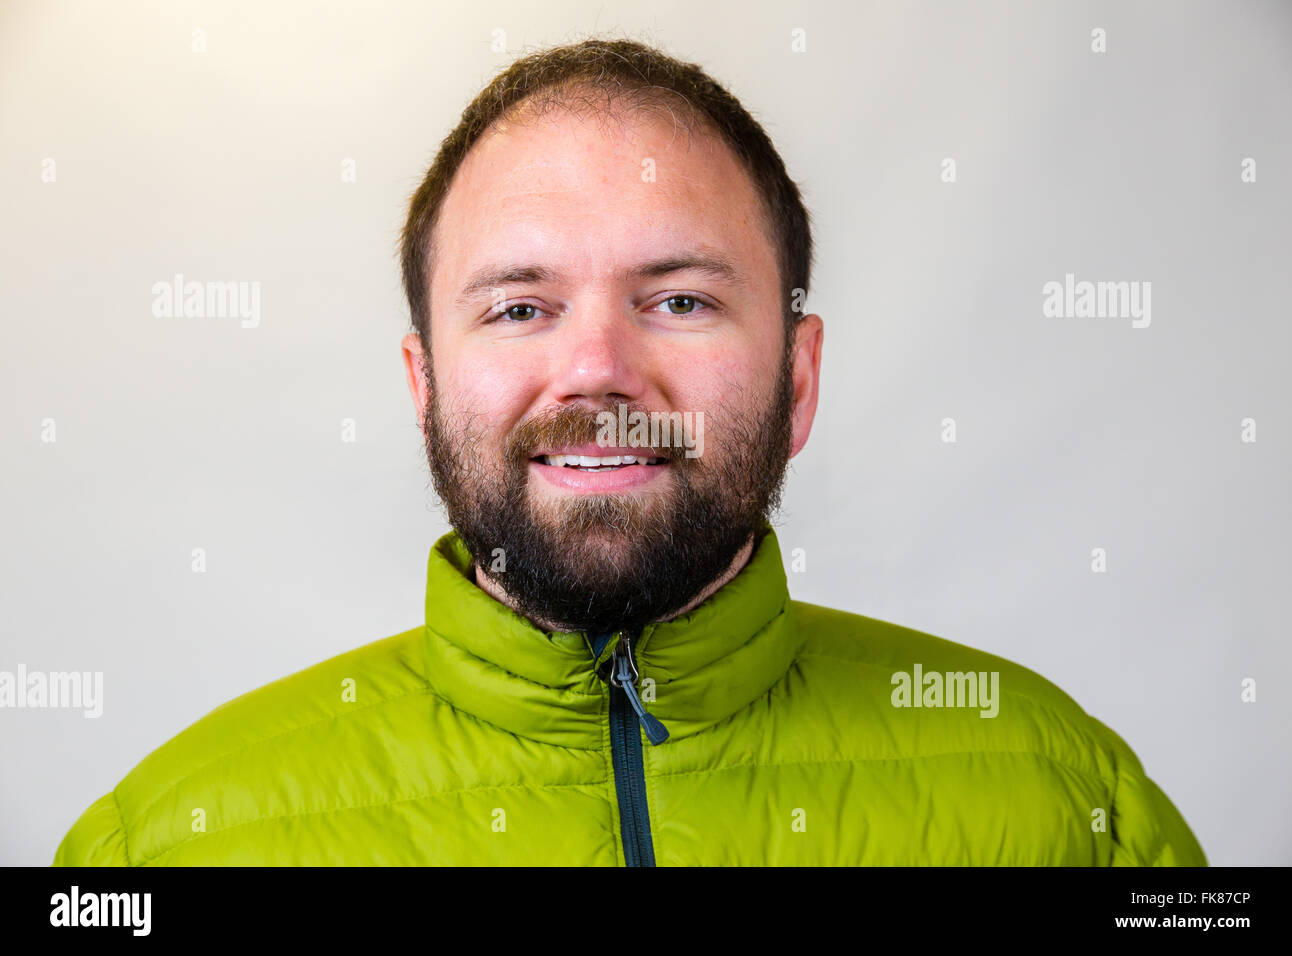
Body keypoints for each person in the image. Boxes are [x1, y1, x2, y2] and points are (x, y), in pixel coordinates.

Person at [53, 38, 1206, 866]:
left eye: (680, 300)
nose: (598, 369)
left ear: (797, 379)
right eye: (518, 308)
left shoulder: (1073, 805)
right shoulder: (156, 846)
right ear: (422, 387)